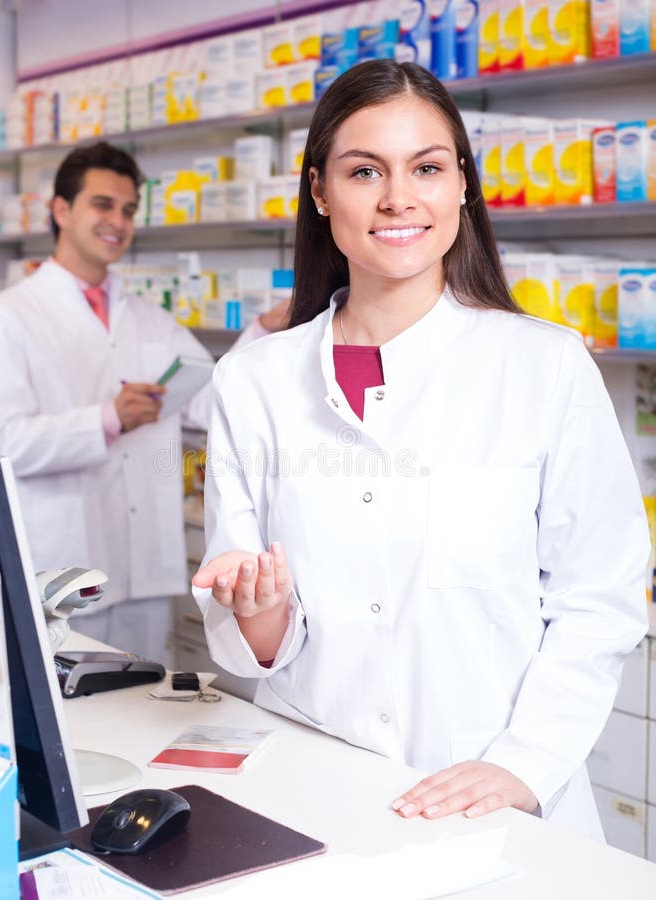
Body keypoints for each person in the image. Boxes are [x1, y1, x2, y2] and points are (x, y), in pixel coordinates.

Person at [192, 60, 649, 839]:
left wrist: (523, 764)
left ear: (461, 186)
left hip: (492, 792)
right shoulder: (252, 380)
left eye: (427, 168)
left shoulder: (543, 364)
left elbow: (598, 595)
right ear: (319, 193)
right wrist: (258, 615)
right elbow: (246, 634)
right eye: (364, 170)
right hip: (315, 781)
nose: (398, 197)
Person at [0, 141, 285, 663]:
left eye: (129, 210)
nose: (118, 220)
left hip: (144, 566)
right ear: (61, 210)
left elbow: (210, 402)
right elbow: (3, 444)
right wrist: (107, 420)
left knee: (145, 710)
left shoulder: (149, 318)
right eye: (103, 204)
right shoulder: (6, 318)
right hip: (65, 565)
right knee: (73, 721)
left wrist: (260, 331)